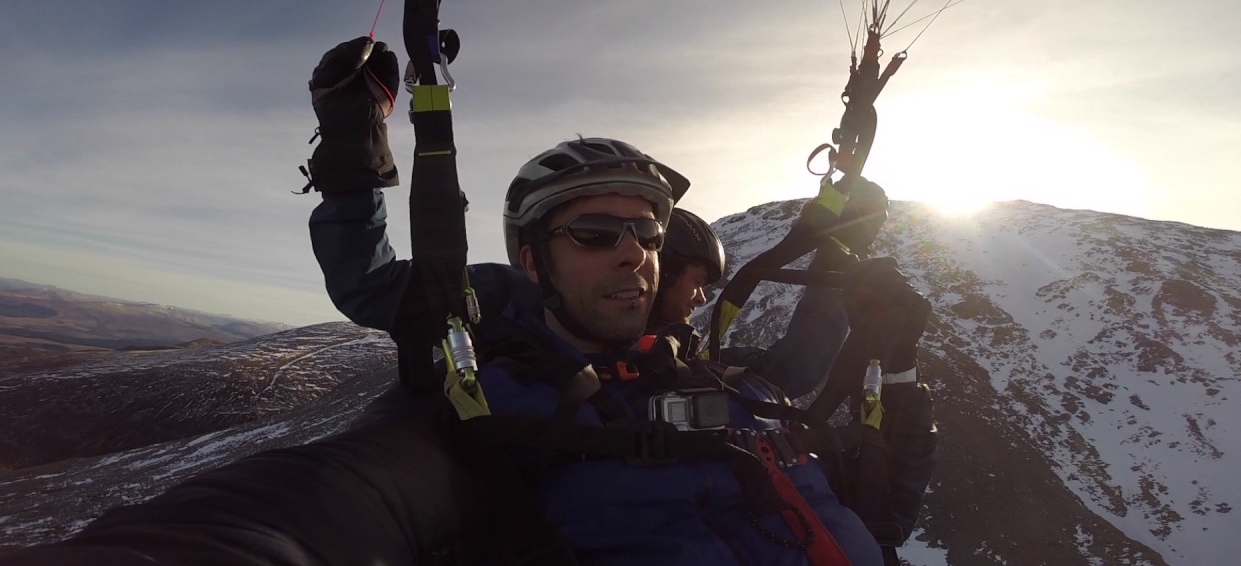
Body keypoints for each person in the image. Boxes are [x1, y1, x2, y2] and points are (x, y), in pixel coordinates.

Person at [0, 38, 934, 566]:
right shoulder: (504, 389)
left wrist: (889, 355)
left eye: (649, 236)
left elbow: (845, 455)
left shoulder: (722, 382)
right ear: (532, 259)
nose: (636, 256)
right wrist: (354, 152)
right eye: (595, 232)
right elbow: (334, 493)